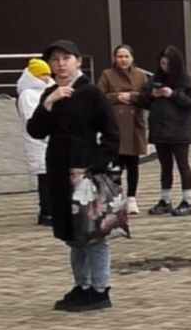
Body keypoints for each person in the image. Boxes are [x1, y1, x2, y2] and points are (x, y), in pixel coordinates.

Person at [26, 40, 121, 312]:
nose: (61, 64)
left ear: (78, 61)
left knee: (93, 233)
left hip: (86, 173)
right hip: (58, 169)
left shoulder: (91, 93)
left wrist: (95, 167)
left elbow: (112, 135)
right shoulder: (52, 93)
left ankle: (100, 289)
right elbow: (35, 130)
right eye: (55, 60)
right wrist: (49, 102)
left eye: (66, 58)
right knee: (72, 234)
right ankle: (82, 285)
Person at [141, 46, 191, 216]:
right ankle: (165, 199)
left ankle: (187, 200)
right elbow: (143, 100)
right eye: (162, 63)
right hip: (159, 130)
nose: (164, 67)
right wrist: (151, 94)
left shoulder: (186, 80)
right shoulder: (155, 79)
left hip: (179, 130)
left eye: (167, 64)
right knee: (165, 166)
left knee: (183, 165)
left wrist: (172, 94)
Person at [97, 44, 149, 204]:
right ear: (115, 58)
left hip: (134, 124)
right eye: (120, 56)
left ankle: (132, 198)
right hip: (115, 124)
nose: (123, 60)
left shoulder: (141, 76)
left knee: (133, 163)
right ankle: (115, 197)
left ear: (132, 58)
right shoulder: (107, 75)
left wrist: (132, 96)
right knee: (115, 162)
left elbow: (147, 98)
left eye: (126, 56)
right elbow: (98, 96)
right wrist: (117, 97)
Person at [15, 57, 55, 226]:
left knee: (51, 176)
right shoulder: (28, 95)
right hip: (38, 141)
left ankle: (52, 210)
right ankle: (46, 211)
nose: (45, 78)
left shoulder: (48, 90)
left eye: (47, 74)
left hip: (50, 140)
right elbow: (30, 118)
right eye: (41, 74)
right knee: (44, 177)